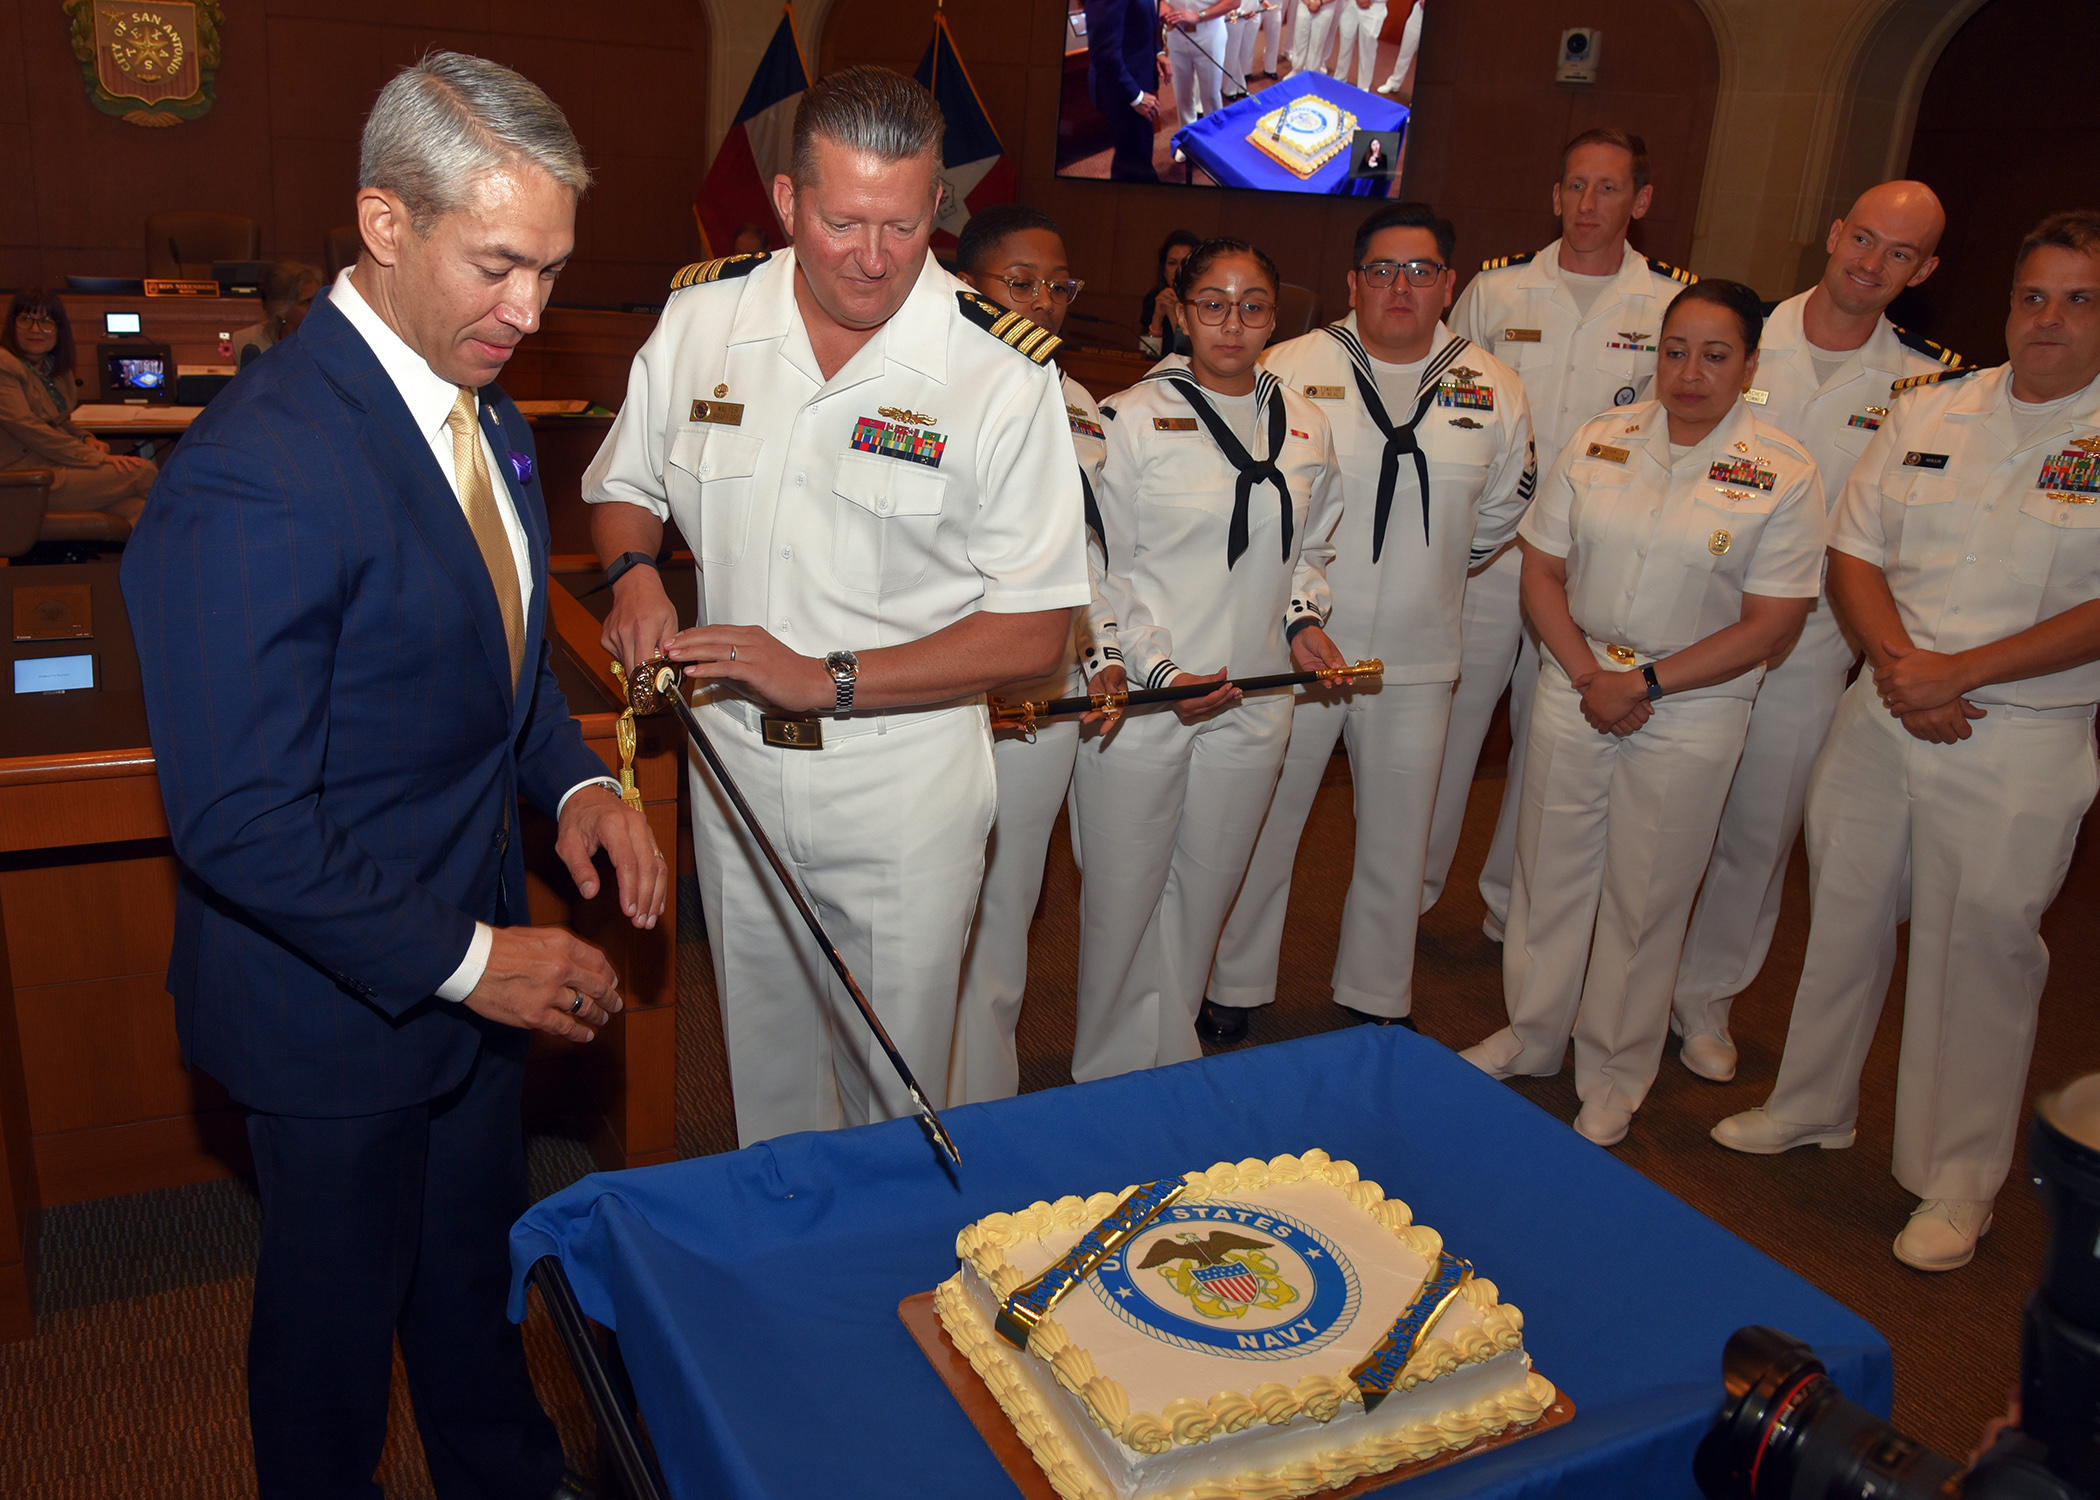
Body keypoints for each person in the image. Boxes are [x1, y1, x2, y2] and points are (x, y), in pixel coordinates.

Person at [119, 53, 664, 1500]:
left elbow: (502, 663)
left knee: (470, 1283)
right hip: (336, 1001)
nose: (530, 315)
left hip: (470, 970)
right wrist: (477, 961)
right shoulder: (259, 470)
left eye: (549, 272)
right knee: (333, 1340)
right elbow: (237, 819)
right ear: (383, 223)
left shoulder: (475, 399)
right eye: (499, 267)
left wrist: (573, 791)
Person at [584, 67, 1090, 1145]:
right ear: (785, 203)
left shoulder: (997, 372)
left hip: (902, 783)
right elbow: (626, 487)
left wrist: (828, 676)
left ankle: (884, 1293)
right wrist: (633, 575)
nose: (872, 257)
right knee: (764, 1081)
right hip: (735, 772)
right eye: (844, 222)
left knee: (897, 1094)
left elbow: (1037, 627)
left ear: (937, 212)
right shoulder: (703, 321)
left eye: (903, 227)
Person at [1712, 211, 2100, 1273]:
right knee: (1840, 909)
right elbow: (1855, 545)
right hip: (1885, 704)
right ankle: (1811, 1103)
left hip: (2018, 732)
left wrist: (1960, 673)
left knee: (1981, 953)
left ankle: (1957, 1180)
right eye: (2034, 296)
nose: (2050, 319)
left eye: (2079, 299)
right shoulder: (1934, 405)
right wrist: (1900, 666)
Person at [1459, 281, 1827, 1148]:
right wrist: (1591, 674)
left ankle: (1616, 1073)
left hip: (1691, 708)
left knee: (1645, 897)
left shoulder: (1784, 470)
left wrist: (1647, 685)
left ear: (1750, 364)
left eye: (1714, 355)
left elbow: (1773, 622)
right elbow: (1542, 569)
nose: (1689, 373)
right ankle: (1533, 1031)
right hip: (1576, 683)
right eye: (1674, 351)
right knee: (1549, 871)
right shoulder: (1600, 437)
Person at [1204, 202, 1533, 1042]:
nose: (1400, 287)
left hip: (1419, 657)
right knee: (1266, 822)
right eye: (1381, 269)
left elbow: (1497, 516)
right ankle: (1235, 981)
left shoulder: (1493, 385)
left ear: (1448, 285)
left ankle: (1377, 998)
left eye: (1421, 271)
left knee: (1399, 839)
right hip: (1299, 647)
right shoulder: (1288, 365)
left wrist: (1423, 574)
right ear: (1353, 281)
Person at [1670, 181, 1957, 1084]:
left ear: (1924, 270)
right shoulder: (1739, 334)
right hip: (1693, 623)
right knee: (1663, 818)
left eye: (1898, 253)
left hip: (1811, 644)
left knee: (1760, 830)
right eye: (1862, 239)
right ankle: (1619, 977)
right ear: (1832, 235)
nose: (1870, 264)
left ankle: (1705, 997)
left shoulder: (1931, 386)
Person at [1071, 238, 1345, 1080]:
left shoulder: (1305, 422)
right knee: (1124, 896)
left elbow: (1312, 549)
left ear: (1275, 315)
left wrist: (1302, 621)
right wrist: (1153, 670)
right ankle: (1108, 1072)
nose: (1233, 322)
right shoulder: (1131, 418)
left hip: (1255, 698)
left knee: (1207, 886)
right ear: (1180, 310)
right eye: (1214, 303)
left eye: (1253, 304)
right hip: (1148, 700)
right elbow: (1096, 563)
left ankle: (1172, 1054)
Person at [1435, 128, 1696, 942]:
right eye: (1575, 186)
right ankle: (1408, 890)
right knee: (1450, 729)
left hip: (1591, 561)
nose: (1588, 205)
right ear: (1555, 195)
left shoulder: (1667, 306)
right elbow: (1452, 407)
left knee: (1549, 740)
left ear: (1641, 202)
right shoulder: (1498, 291)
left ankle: (1514, 902)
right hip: (1492, 551)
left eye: (1609, 189)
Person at [947, 203, 1125, 1104]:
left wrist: (1099, 658)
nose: (1046, 302)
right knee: (929, 911)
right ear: (966, 281)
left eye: (1060, 286)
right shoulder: (925, 387)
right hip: (940, 696)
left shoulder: (1079, 401)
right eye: (1022, 283)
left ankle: (986, 1104)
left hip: (1043, 694)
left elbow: (1089, 559)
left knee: (1009, 904)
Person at [0, 289, 158, 520]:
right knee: (143, 472)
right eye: (25, 320)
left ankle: (166, 555)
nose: (35, 329)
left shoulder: (53, 370)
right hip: (22, 480)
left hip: (53, 467)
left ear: (58, 330)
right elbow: (28, 427)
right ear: (12, 326)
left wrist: (86, 438)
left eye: (46, 322)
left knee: (139, 511)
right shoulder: (4, 365)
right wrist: (94, 457)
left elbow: (59, 421)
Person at [1083, 0, 1163, 182]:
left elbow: (1138, 22)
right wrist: (1135, 97)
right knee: (1132, 164)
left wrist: (1158, 52)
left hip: (1138, 79)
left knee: (1139, 151)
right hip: (1122, 90)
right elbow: (1104, 52)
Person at [232, 260, 323, 367]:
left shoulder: (333, 339)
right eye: (306, 302)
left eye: (319, 298)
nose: (318, 305)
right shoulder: (247, 341)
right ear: (281, 310)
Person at [1166, 0, 1235, 130]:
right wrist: (1162, 7)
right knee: (1182, 96)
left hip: (1209, 31)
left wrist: (1198, 15)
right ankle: (1187, 138)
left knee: (1211, 95)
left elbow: (1234, 2)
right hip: (1176, 32)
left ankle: (1214, 137)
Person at [1141, 229, 1201, 359]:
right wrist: (1157, 318)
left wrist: (1173, 315)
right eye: (1172, 263)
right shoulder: (1153, 299)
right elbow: (1147, 357)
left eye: (1185, 263)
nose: (1178, 270)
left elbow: (1189, 357)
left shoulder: (1202, 304)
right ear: (1164, 270)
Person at [1334, 0, 1388, 90]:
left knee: (1367, 47)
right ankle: (1339, 78)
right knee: (1345, 39)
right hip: (1352, 3)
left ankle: (1363, 87)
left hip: (1374, 6)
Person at [1377, 0, 1424, 96]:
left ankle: (1420, 94)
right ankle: (1394, 82)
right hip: (1419, 12)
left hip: (1440, 17)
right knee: (1406, 50)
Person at [1289, 0, 1340, 76]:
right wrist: (1308, 3)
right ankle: (1296, 71)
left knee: (1316, 43)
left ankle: (1311, 74)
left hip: (1325, 6)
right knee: (1299, 39)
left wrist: (1319, 2)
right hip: (1304, 4)